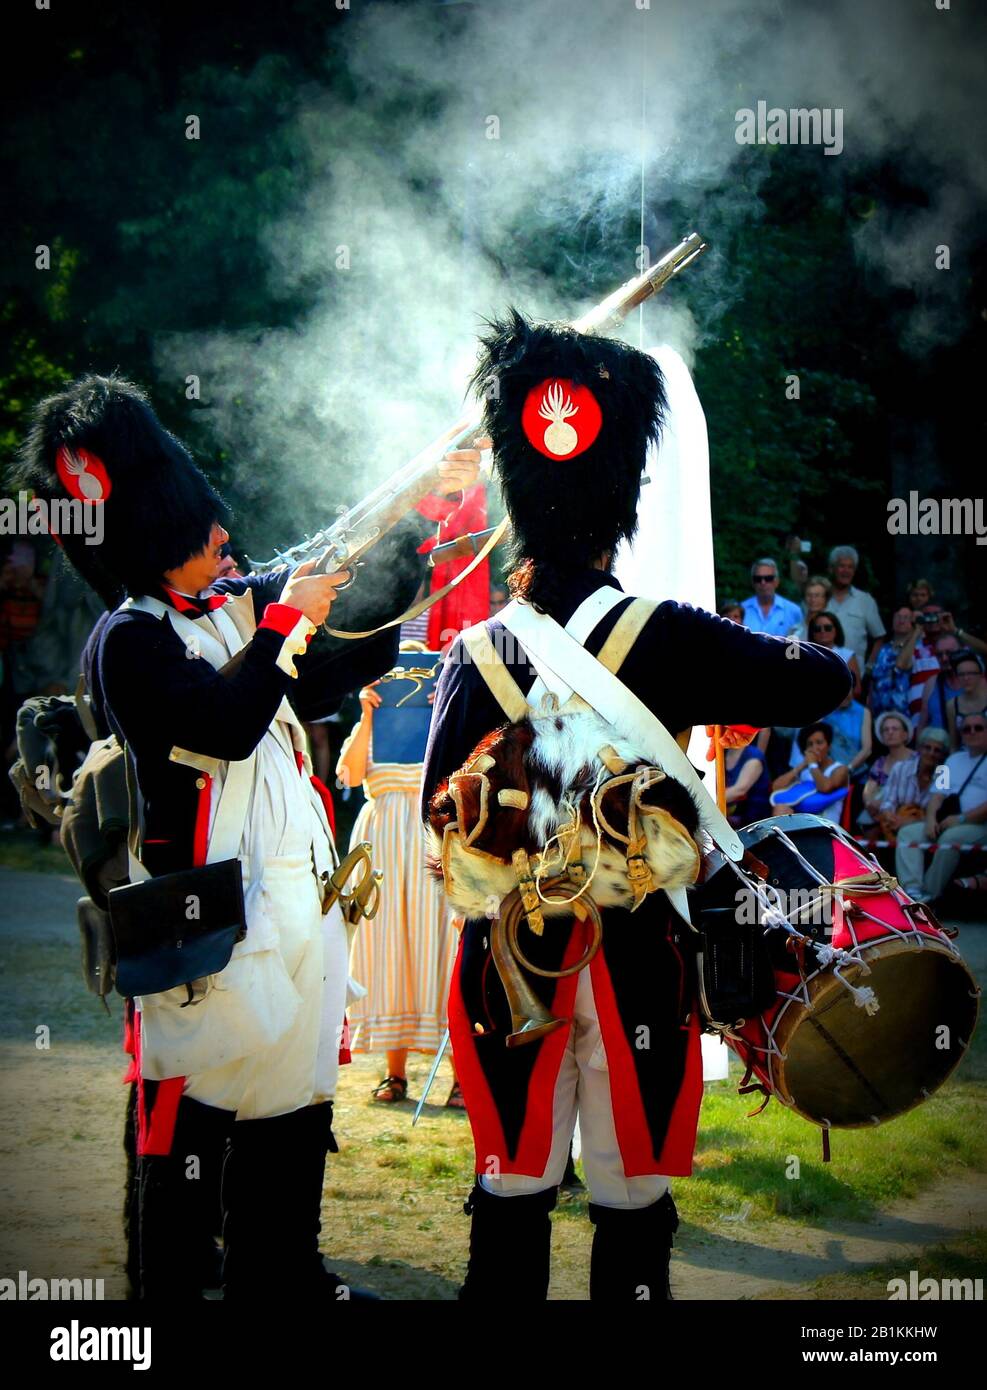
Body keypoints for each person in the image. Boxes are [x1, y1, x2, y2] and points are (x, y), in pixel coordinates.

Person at [12, 372, 479, 1300]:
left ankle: (282, 1274)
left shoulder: (232, 609)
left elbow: (349, 642)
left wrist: (419, 514)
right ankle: (170, 1289)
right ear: (157, 538)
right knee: (189, 1127)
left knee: (291, 1105)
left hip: (293, 911)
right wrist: (283, 621)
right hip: (201, 928)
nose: (225, 536)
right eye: (203, 529)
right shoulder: (128, 640)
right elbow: (223, 724)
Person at [420, 310, 851, 1302]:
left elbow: (441, 820)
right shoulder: (668, 636)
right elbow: (820, 677)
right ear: (623, 500)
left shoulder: (475, 652)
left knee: (514, 1192)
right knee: (630, 1199)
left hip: (508, 964)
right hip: (635, 959)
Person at [336, 659, 461, 1109]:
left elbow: (463, 772)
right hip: (384, 836)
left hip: (432, 835)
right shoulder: (371, 719)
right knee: (389, 947)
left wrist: (440, 711)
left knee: (440, 947)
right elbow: (348, 776)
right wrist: (367, 714)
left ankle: (460, 1075)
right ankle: (395, 1074)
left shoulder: (443, 721)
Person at [895, 712, 987, 905]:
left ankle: (929, 896)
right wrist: (930, 820)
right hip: (947, 820)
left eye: (978, 728)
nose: (972, 732)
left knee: (949, 839)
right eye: (966, 729)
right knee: (908, 834)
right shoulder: (952, 760)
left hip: (978, 825)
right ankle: (912, 892)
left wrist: (961, 819)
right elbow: (937, 795)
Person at [874, 727, 949, 843]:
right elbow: (888, 802)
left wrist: (909, 821)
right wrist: (890, 816)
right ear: (919, 749)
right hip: (895, 822)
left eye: (937, 750)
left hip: (925, 827)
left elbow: (939, 814)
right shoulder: (900, 769)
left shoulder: (943, 774)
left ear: (943, 755)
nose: (931, 753)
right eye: (927, 748)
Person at [867, 606, 938, 723]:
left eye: (906, 617)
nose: (901, 620)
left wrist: (917, 630)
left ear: (912, 622)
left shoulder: (919, 647)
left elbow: (902, 665)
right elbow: (872, 682)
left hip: (904, 714)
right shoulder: (883, 649)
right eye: (898, 617)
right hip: (879, 715)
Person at [771, 722, 850, 821]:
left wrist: (812, 764)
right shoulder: (805, 770)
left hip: (826, 827)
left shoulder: (840, 769)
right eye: (810, 744)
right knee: (780, 809)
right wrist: (802, 765)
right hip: (802, 822)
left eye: (819, 742)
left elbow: (825, 788)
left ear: (828, 745)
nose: (814, 748)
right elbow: (776, 787)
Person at [826, 545, 886, 673]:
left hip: (855, 676)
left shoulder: (865, 600)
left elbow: (879, 637)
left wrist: (870, 667)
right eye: (842, 566)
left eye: (850, 567)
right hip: (822, 672)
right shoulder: (819, 598)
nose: (846, 571)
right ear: (832, 569)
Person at [861, 710, 916, 824]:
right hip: (880, 812)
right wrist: (870, 803)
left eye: (895, 729)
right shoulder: (880, 763)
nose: (890, 732)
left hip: (908, 810)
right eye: (886, 729)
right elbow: (869, 790)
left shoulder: (916, 759)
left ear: (905, 735)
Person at [806, 610, 861, 698]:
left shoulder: (848, 655)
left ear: (836, 630)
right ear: (812, 633)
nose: (822, 631)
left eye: (827, 628)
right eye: (817, 629)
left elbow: (857, 689)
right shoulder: (806, 655)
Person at [740, 558, 802, 636]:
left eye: (768, 578)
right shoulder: (742, 609)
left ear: (777, 582)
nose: (763, 583)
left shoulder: (793, 611)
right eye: (758, 579)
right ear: (753, 582)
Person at [723, 738, 772, 827]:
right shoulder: (722, 753)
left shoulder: (754, 756)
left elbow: (739, 791)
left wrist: (707, 801)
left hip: (754, 823)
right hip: (730, 816)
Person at [945, 650, 987, 751]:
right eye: (961, 674)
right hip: (966, 755)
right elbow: (954, 743)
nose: (966, 678)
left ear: (981, 675)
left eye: (971, 674)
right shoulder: (952, 705)